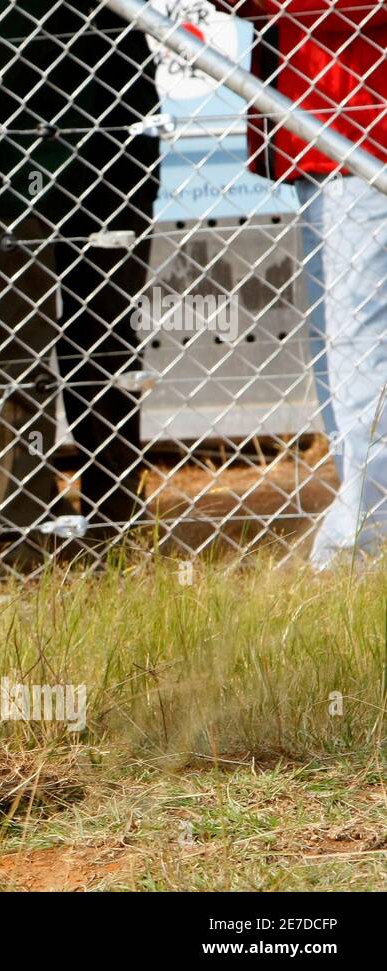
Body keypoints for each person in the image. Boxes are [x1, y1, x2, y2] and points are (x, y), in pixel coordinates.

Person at [0, 0, 161, 566]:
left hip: (113, 140)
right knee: (1, 346)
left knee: (105, 344)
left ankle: (115, 532)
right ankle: (11, 543)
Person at [225, 1, 387, 566]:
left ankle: (360, 545)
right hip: (324, 132)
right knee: (339, 355)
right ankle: (364, 531)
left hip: (362, 127)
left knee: (361, 355)